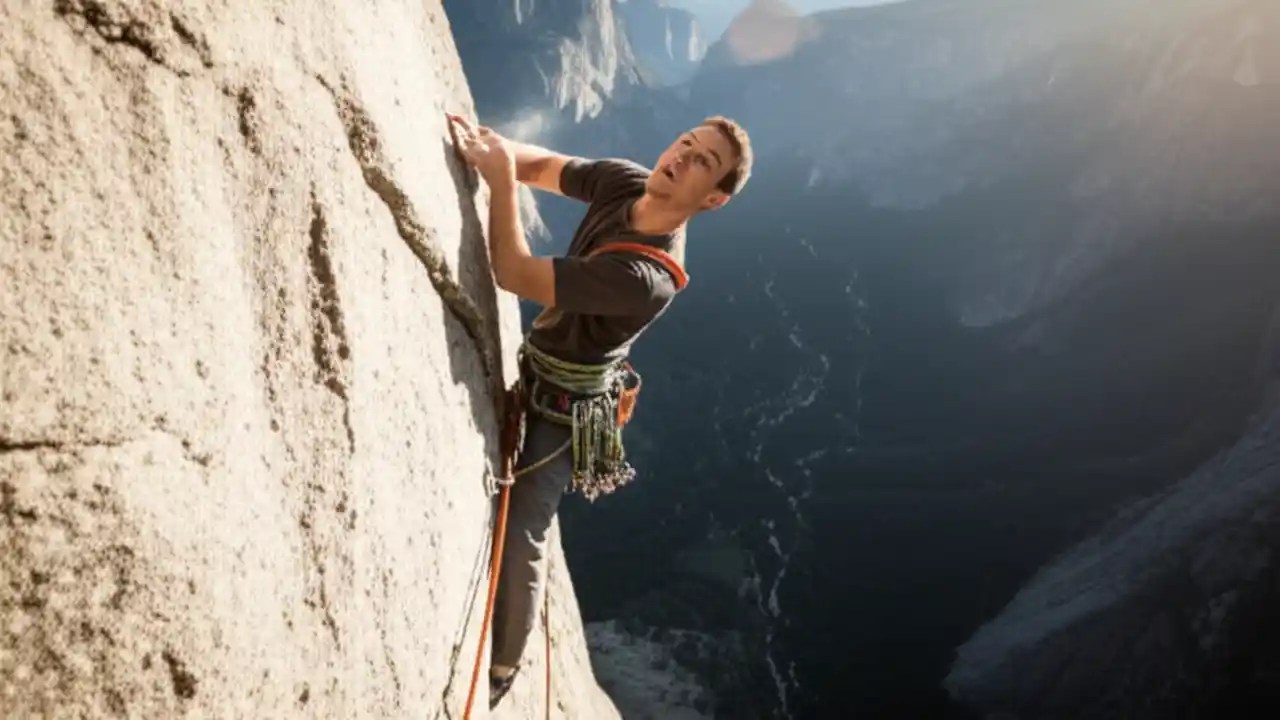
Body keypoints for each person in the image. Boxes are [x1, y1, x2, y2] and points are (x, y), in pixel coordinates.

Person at [447, 111, 753, 707]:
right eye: (685, 142)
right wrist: (491, 146)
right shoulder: (626, 182)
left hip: (565, 413)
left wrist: (501, 179)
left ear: (712, 200)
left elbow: (511, 271)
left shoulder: (646, 277)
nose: (683, 157)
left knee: (524, 535)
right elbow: (541, 165)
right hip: (545, 367)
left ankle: (504, 667)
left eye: (703, 163)